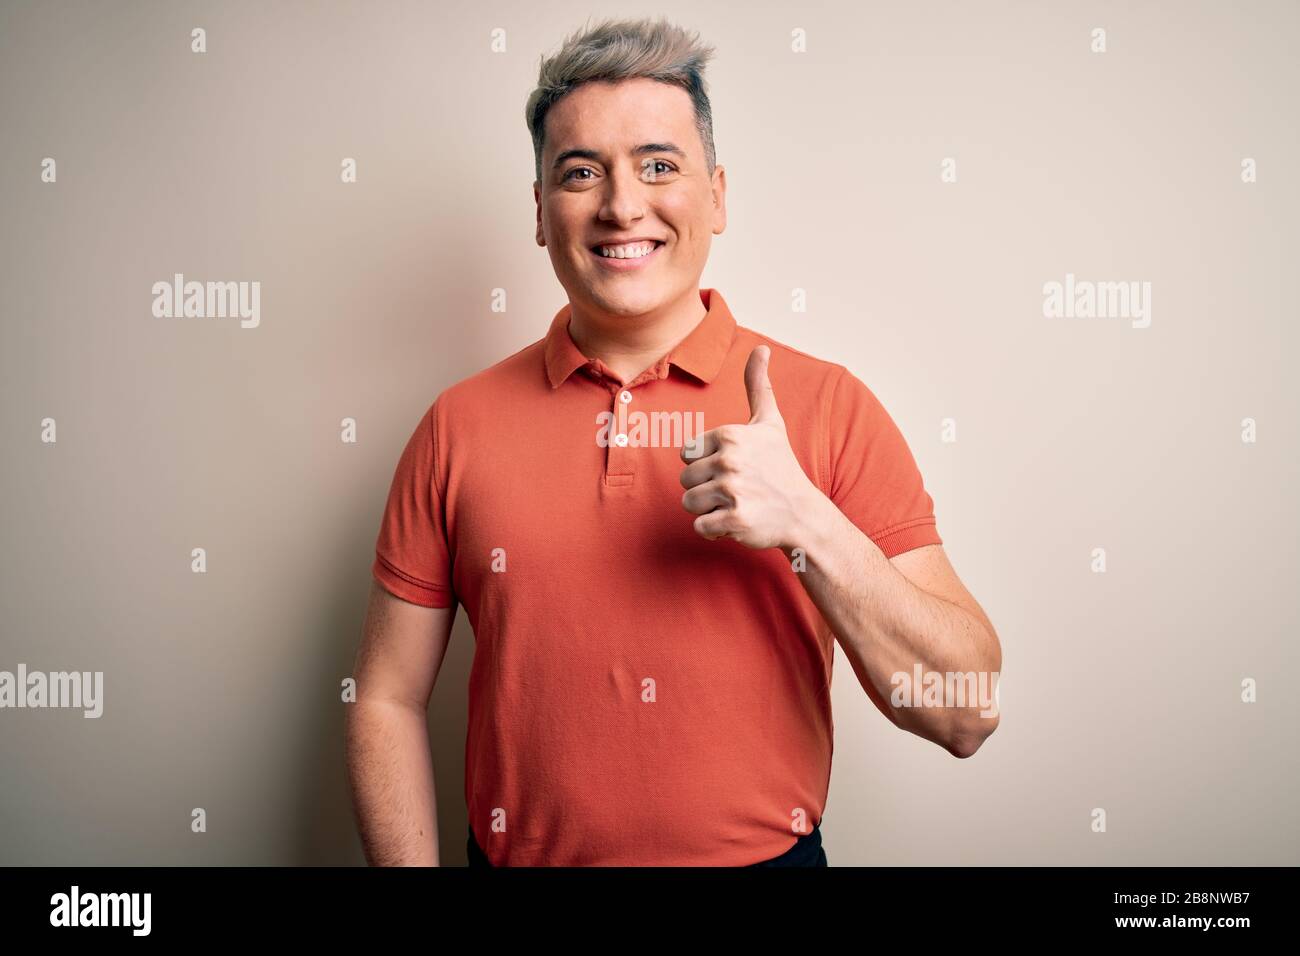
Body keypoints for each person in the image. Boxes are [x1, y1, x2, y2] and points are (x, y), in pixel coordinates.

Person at [346, 16, 1001, 867]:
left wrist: (809, 522)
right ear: (541, 213)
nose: (623, 204)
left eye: (660, 165)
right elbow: (386, 698)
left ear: (717, 196)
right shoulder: (455, 427)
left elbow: (965, 712)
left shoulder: (830, 404)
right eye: (581, 173)